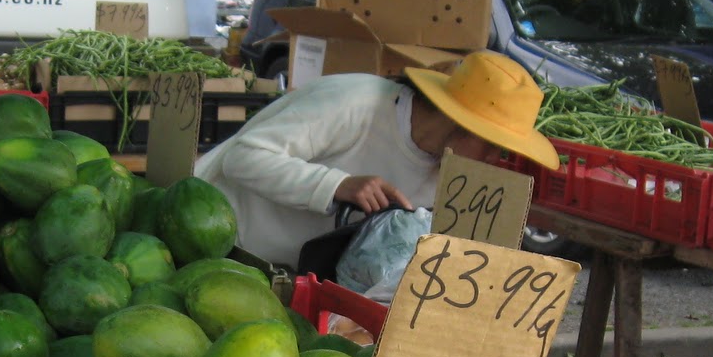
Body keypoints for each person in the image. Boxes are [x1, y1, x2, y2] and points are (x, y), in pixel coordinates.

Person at [193, 51, 559, 267]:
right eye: (493, 146)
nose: (495, 161)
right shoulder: (355, 102)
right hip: (213, 240)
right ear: (460, 123)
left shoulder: (448, 170)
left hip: (289, 273)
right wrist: (338, 184)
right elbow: (243, 158)